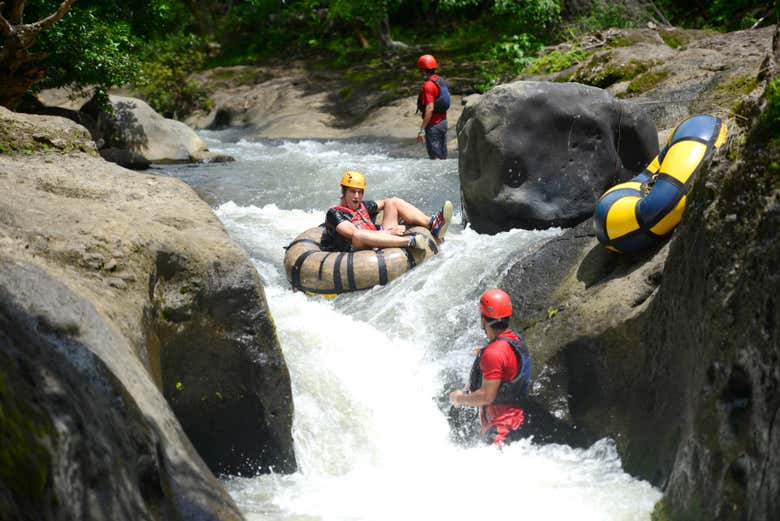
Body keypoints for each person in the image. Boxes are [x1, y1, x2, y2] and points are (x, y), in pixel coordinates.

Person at [449, 288, 532, 447]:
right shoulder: (515, 340)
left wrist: (459, 398)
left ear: (483, 320)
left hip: (501, 430)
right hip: (514, 422)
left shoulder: (493, 353)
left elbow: (487, 396)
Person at [322, 170, 453, 252]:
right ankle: (411, 241)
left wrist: (387, 230)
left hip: (381, 237)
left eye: (360, 192)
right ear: (344, 192)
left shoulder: (363, 206)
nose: (357, 196)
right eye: (352, 192)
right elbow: (353, 233)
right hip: (355, 249)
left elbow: (385, 202)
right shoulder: (335, 213)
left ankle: (432, 224)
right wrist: (387, 232)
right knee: (358, 235)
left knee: (392, 201)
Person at [416, 54, 450, 160]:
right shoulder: (440, 80)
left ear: (423, 70)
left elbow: (430, 108)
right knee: (443, 157)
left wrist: (422, 130)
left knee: (435, 159)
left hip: (433, 126)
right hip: (443, 123)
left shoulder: (428, 85)